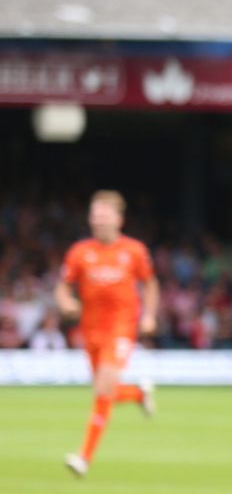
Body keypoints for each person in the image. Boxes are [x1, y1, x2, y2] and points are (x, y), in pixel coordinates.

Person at [55, 190, 158, 478]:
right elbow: (63, 285)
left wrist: (149, 315)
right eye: (94, 215)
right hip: (91, 329)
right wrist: (65, 302)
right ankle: (138, 394)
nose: (98, 220)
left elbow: (150, 284)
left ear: (119, 219)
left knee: (102, 388)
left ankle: (83, 457)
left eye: (104, 215)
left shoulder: (134, 251)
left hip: (122, 327)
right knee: (105, 390)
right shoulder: (79, 252)